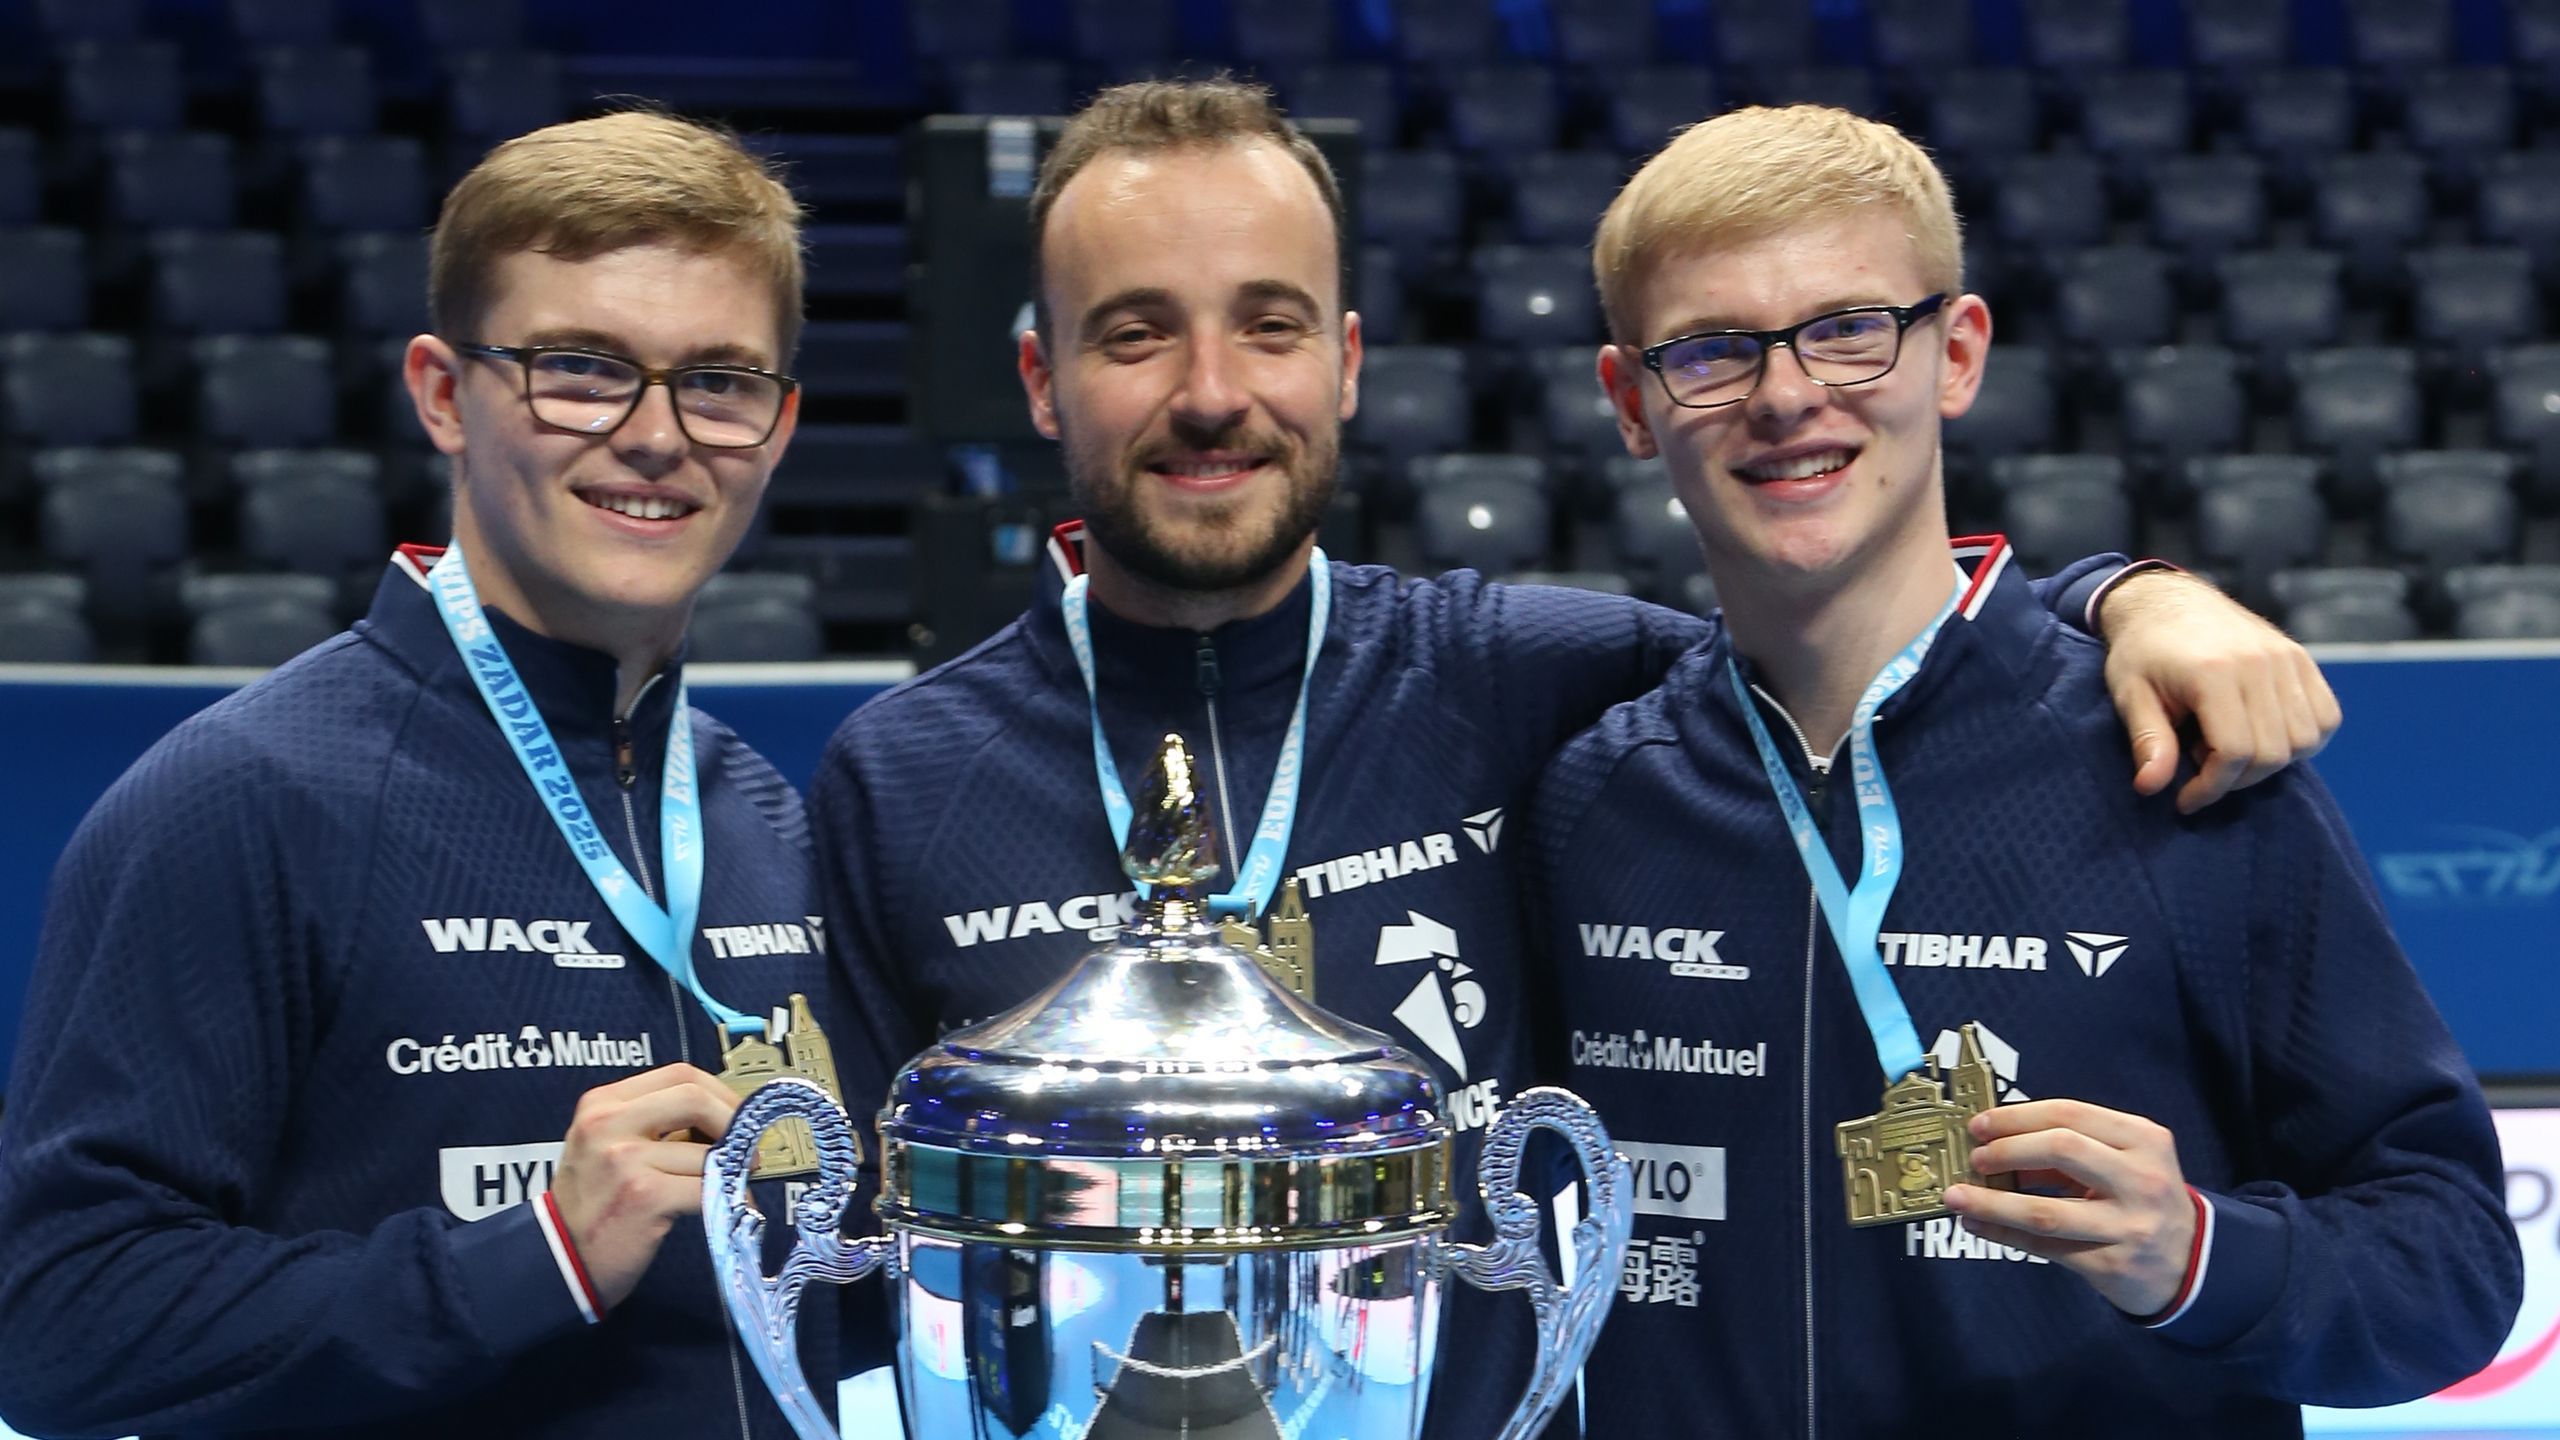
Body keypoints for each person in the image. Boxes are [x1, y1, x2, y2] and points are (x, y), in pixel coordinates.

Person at [808, 79, 2342, 1437]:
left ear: (1344, 363)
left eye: (1269, 324)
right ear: (1039, 379)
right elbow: (845, 1280)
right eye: (1136, 333)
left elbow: (1860, 639)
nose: (1212, 391)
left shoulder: (1520, 680)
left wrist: (2123, 597)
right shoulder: (899, 777)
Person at [1527, 103, 2521, 1437]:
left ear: (1959, 354)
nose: (1784, 394)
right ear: (1631, 404)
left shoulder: (2177, 765)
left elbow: (2452, 1262)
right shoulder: (1587, 795)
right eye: (1710, 351)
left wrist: (2200, 1259)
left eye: (1847, 328)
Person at [0, 112, 867, 1438]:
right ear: (443, 393)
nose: (657, 434)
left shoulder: (766, 820)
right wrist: (541, 1252)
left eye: (720, 379)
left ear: (782, 421)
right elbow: (57, 1322)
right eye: (580, 368)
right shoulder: (240, 803)